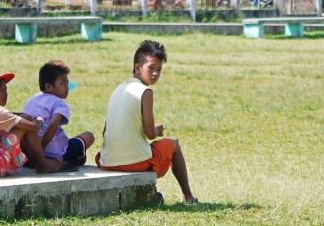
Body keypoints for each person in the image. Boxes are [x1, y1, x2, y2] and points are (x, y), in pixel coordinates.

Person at [97, 40, 197, 204]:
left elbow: (105, 132)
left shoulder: (117, 90)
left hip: (107, 162)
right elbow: (151, 135)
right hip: (136, 162)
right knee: (174, 143)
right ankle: (188, 195)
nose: (155, 74)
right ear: (137, 68)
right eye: (151, 68)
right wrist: (158, 130)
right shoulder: (145, 91)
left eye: (159, 70)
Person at [0, 71, 62, 176]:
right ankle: (43, 164)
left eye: (5, 89)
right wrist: (40, 118)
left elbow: (11, 115)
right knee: (26, 121)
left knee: (21, 120)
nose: (5, 93)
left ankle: (34, 161)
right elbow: (33, 127)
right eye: (0, 89)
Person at [22, 60, 94, 169]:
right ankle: (66, 161)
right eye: (62, 83)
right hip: (55, 156)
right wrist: (40, 155)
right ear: (49, 87)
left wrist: (35, 154)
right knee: (89, 136)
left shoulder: (32, 100)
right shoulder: (60, 103)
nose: (67, 87)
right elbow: (53, 125)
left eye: (67, 83)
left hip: (30, 153)